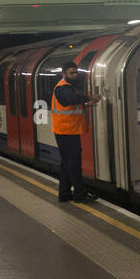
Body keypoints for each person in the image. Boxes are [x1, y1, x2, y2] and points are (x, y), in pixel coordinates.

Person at [51, 61, 101, 203]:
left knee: (66, 164)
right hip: (66, 131)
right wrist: (90, 97)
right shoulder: (63, 88)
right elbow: (71, 99)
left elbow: (71, 104)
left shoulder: (68, 88)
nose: (75, 75)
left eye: (76, 73)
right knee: (73, 164)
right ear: (64, 74)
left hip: (67, 130)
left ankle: (64, 194)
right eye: (72, 73)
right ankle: (80, 194)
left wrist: (86, 104)